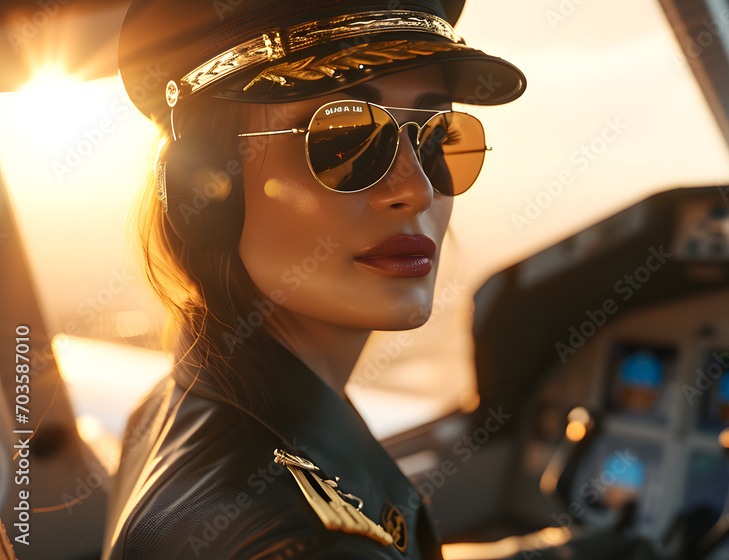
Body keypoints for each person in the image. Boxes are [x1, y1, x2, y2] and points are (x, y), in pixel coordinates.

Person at [101, 1, 525, 558]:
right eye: (346, 139)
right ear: (207, 193)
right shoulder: (302, 542)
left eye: (434, 135)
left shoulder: (177, 401)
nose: (418, 189)